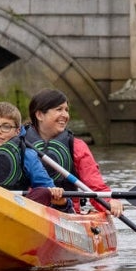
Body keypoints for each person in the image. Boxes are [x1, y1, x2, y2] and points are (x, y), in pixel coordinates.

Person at [24, 88, 123, 217]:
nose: (65, 115)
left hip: (66, 213)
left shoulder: (77, 146)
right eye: (59, 109)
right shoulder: (18, 143)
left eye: (66, 110)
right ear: (40, 115)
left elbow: (94, 186)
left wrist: (109, 202)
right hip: (28, 209)